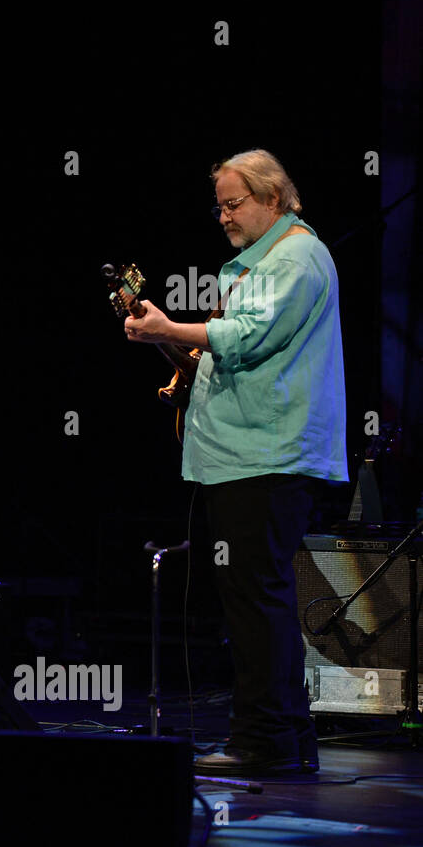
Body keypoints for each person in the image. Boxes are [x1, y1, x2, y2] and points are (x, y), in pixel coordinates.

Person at [125, 149, 348, 775]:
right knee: (253, 599)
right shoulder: (262, 264)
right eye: (219, 205)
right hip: (243, 454)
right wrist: (174, 349)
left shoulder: (297, 255)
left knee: (257, 600)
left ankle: (266, 741)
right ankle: (286, 738)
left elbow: (247, 337)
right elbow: (235, 353)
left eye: (234, 203)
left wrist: (174, 327)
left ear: (272, 199)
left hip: (267, 455)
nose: (223, 215)